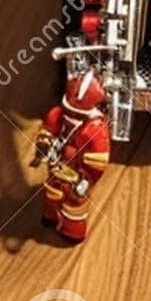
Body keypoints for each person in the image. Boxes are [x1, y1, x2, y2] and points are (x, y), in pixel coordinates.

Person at [34, 70, 111, 244]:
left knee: (74, 204)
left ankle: (73, 233)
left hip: (77, 174)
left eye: (77, 114)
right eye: (69, 110)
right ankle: (50, 217)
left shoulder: (96, 130)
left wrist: (82, 179)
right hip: (57, 165)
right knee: (51, 192)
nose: (70, 116)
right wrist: (44, 144)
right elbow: (48, 130)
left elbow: (98, 162)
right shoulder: (58, 114)